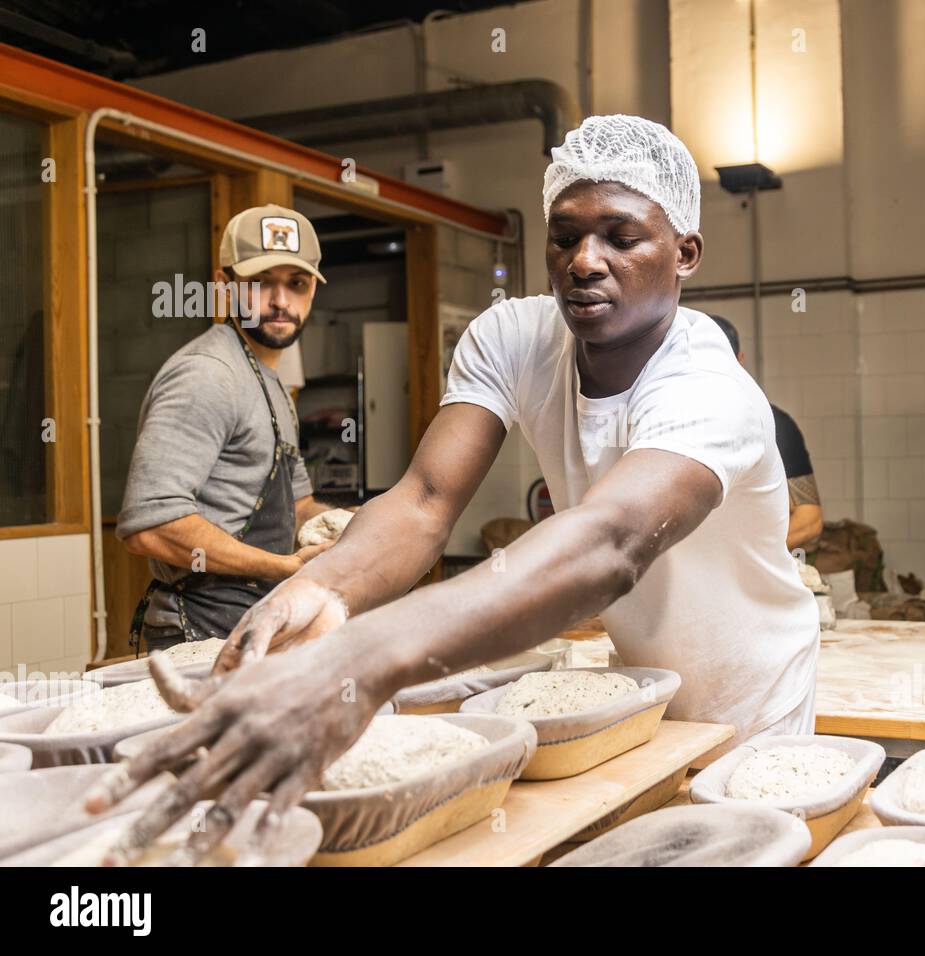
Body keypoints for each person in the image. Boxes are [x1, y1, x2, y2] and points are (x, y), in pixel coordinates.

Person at [88, 115, 820, 863]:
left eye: (620, 237)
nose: (584, 261)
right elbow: (424, 502)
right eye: (564, 237)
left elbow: (611, 544)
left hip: (752, 709)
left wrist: (361, 661)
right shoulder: (515, 338)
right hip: (640, 698)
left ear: (685, 252)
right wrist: (323, 593)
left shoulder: (707, 388)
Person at [116, 204, 337, 653]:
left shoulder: (271, 382)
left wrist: (351, 526)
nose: (280, 302)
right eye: (260, 283)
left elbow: (298, 506)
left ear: (312, 289)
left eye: (296, 284)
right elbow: (151, 525)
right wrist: (284, 567)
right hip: (196, 632)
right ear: (223, 286)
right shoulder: (208, 376)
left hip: (253, 622)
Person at [710, 314, 823, 551]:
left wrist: (753, 556)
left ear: (739, 361)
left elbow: (809, 519)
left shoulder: (772, 424)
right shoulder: (666, 424)